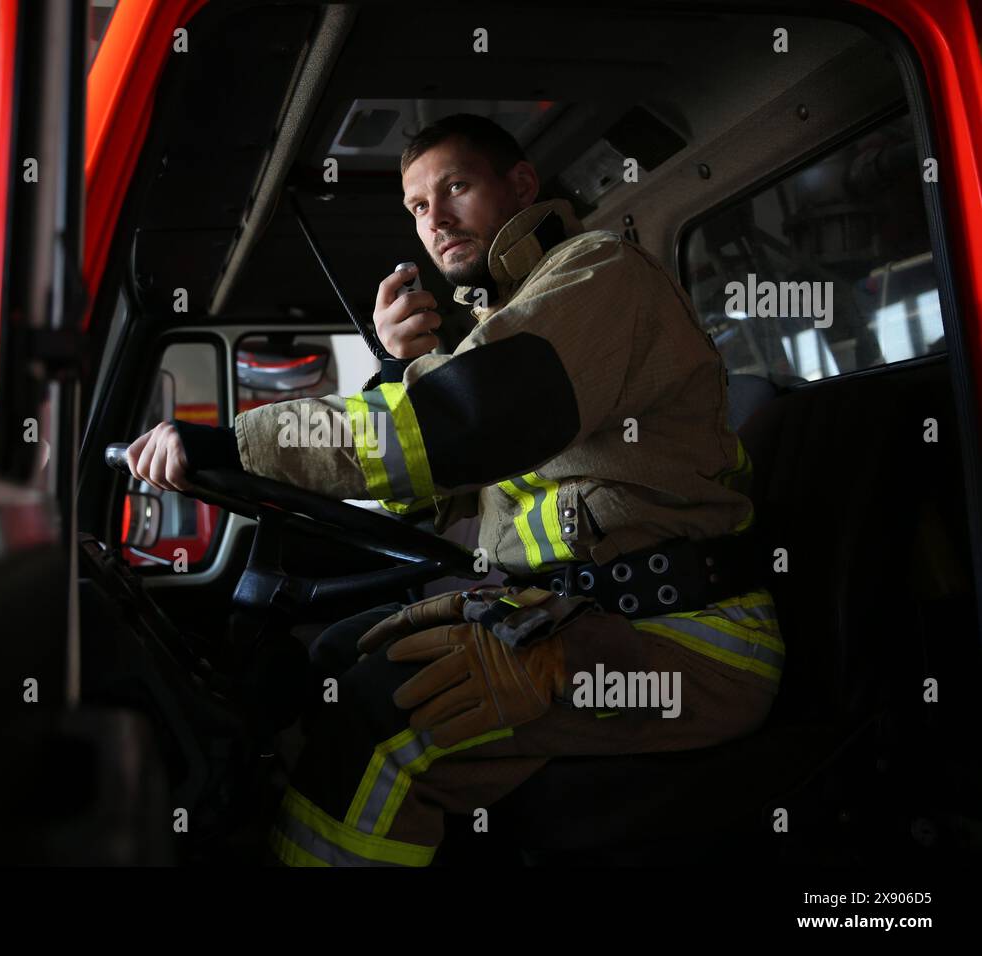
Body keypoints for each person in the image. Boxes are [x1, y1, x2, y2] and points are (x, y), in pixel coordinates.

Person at [127, 113, 783, 867]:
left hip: (686, 641)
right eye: (415, 207)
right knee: (337, 654)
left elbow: (461, 422)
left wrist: (234, 443)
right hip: (577, 617)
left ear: (521, 185)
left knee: (385, 718)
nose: (433, 220)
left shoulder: (600, 274)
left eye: (456, 188)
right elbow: (430, 491)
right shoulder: (503, 323)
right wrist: (391, 371)